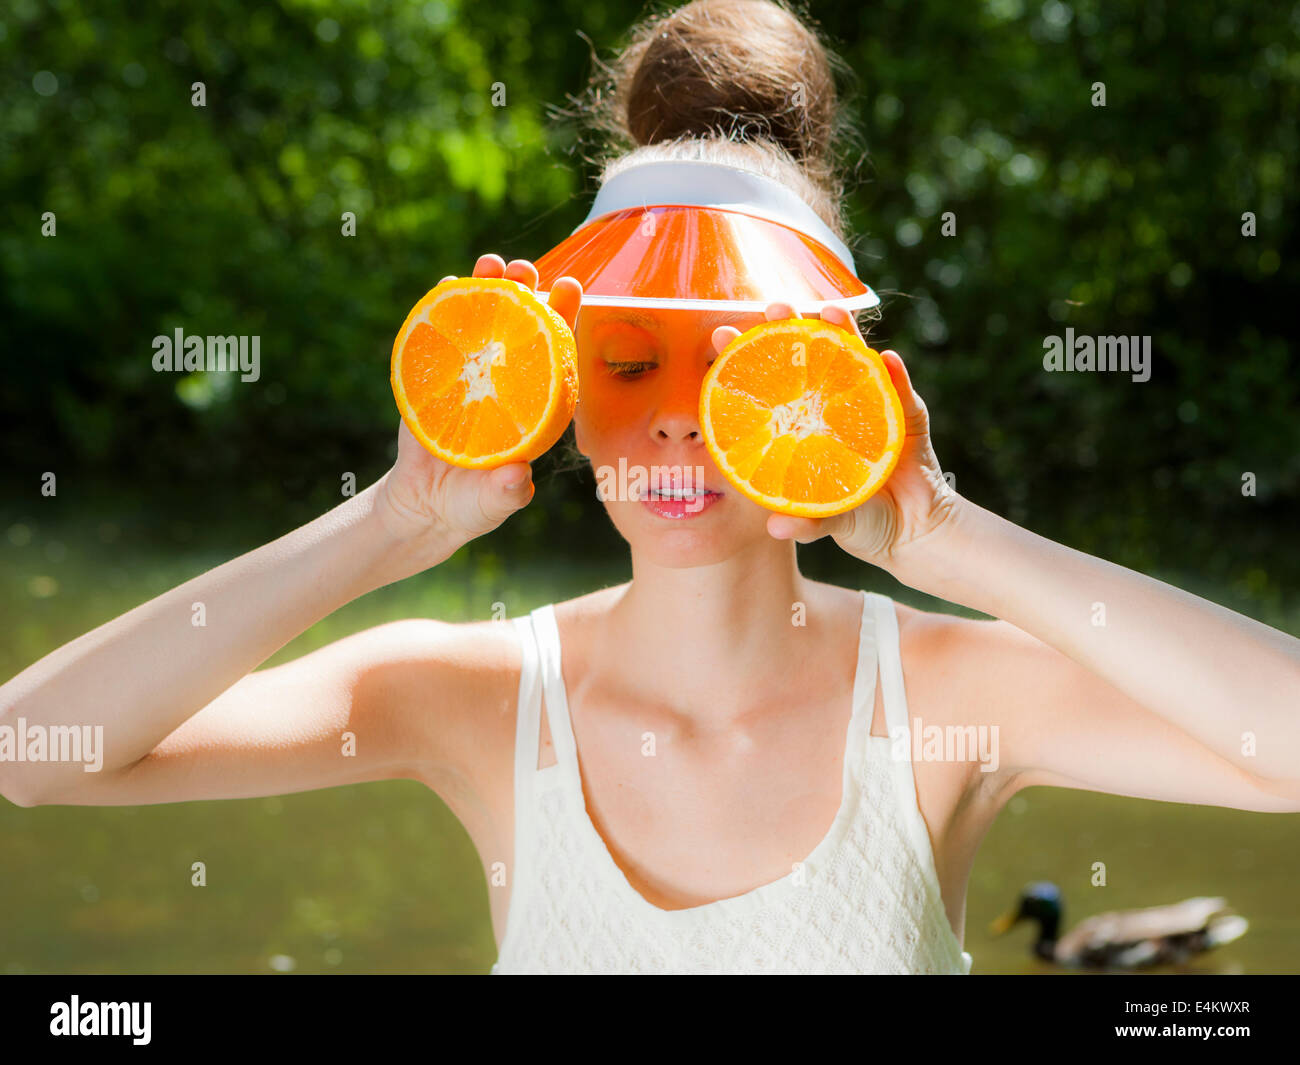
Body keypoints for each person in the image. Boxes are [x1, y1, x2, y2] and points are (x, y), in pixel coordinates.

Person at [2, 0, 1297, 975]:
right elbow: (30, 753)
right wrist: (388, 523)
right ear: (563, 387)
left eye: (741, 366)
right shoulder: (475, 697)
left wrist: (949, 538)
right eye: (628, 361)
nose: (678, 418)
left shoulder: (950, 697)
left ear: (830, 385)